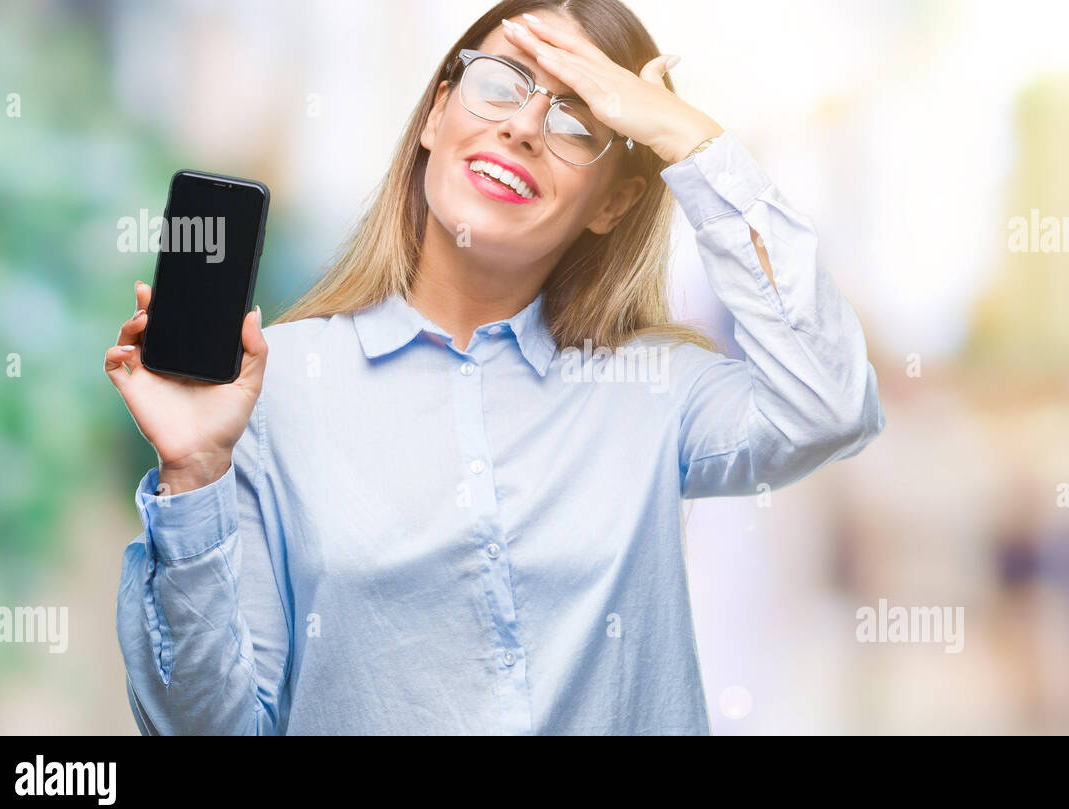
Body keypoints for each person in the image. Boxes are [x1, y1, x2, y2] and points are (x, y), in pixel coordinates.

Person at [104, 0, 885, 735]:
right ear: (436, 116)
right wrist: (196, 472)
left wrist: (691, 140)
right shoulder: (271, 387)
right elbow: (214, 726)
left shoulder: (654, 386)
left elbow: (830, 405)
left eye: (579, 117)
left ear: (613, 205)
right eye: (500, 85)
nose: (525, 126)